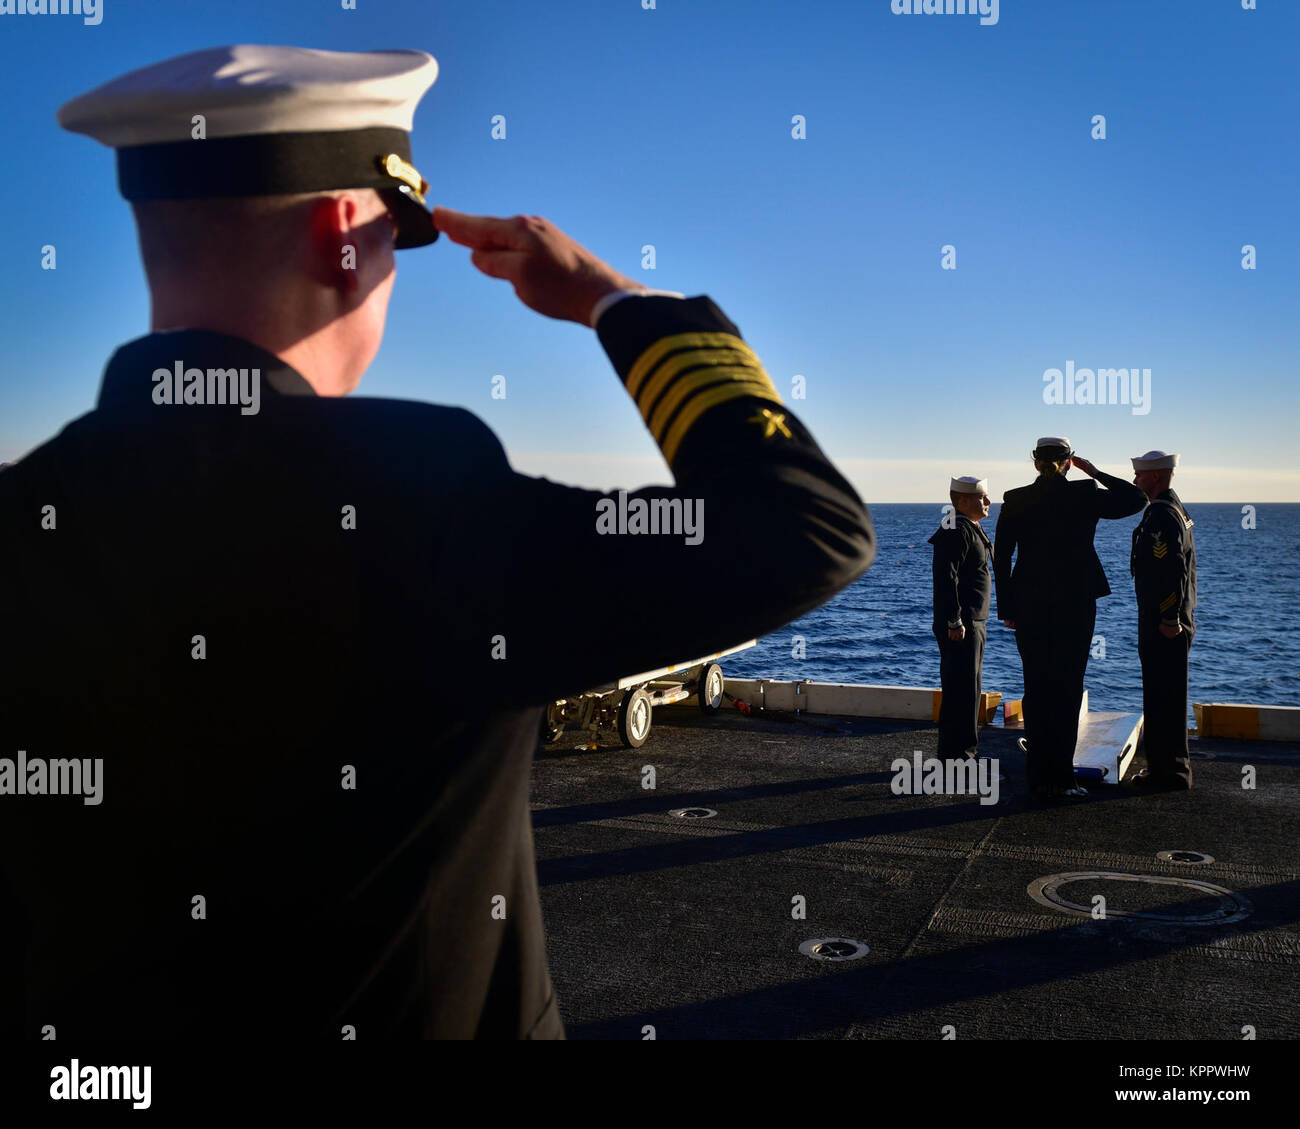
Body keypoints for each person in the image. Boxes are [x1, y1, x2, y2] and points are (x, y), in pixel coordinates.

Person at [0, 45, 875, 1039]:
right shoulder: (425, 480)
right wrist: (617, 302)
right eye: (393, 242)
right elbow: (805, 527)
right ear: (342, 233)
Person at [993, 438, 1146, 800]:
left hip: (1029, 604)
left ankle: (1037, 776)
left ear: (1035, 464)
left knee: (1037, 686)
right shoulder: (1085, 493)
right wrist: (1094, 471)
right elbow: (1137, 499)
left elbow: (1001, 559)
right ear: (1068, 462)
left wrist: (1007, 608)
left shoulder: (1015, 498)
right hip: (1075, 603)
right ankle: (1062, 778)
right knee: (1067, 687)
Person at [1129, 450, 1197, 790]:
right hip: (1170, 621)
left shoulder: (1160, 516)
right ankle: (1169, 768)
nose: (1135, 480)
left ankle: (1168, 772)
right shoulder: (1175, 509)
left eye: (1139, 476)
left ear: (1154, 477)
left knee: (1163, 698)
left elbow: (1171, 571)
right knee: (1166, 696)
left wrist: (1169, 618)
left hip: (1164, 624)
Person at [928, 475, 992, 759]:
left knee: (967, 688)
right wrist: (954, 621)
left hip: (972, 621)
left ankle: (959, 753)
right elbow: (946, 578)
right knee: (962, 690)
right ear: (962, 501)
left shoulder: (969, 527)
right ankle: (959, 756)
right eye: (982, 497)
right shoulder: (956, 529)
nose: (988, 502)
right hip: (962, 625)